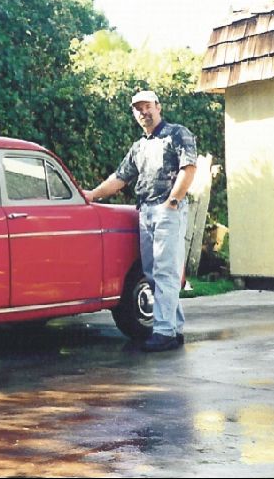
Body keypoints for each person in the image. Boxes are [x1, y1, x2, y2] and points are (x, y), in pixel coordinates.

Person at [84, 90, 197, 352]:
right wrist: (92, 195)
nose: (143, 112)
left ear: (158, 106)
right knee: (151, 273)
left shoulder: (177, 133)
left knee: (165, 271)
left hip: (167, 210)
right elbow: (121, 177)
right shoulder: (140, 146)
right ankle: (174, 327)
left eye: (147, 106)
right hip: (145, 212)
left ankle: (164, 332)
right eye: (137, 109)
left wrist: (173, 201)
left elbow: (188, 168)